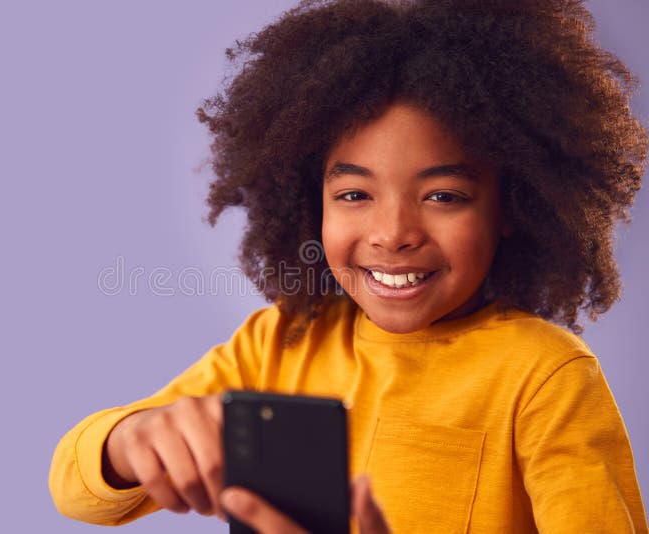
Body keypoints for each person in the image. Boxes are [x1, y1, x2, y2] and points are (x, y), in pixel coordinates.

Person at [49, 0, 649, 532]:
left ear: (511, 208)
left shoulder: (545, 377)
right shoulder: (276, 346)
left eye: (443, 196)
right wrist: (129, 443)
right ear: (311, 202)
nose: (393, 235)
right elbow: (75, 491)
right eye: (354, 195)